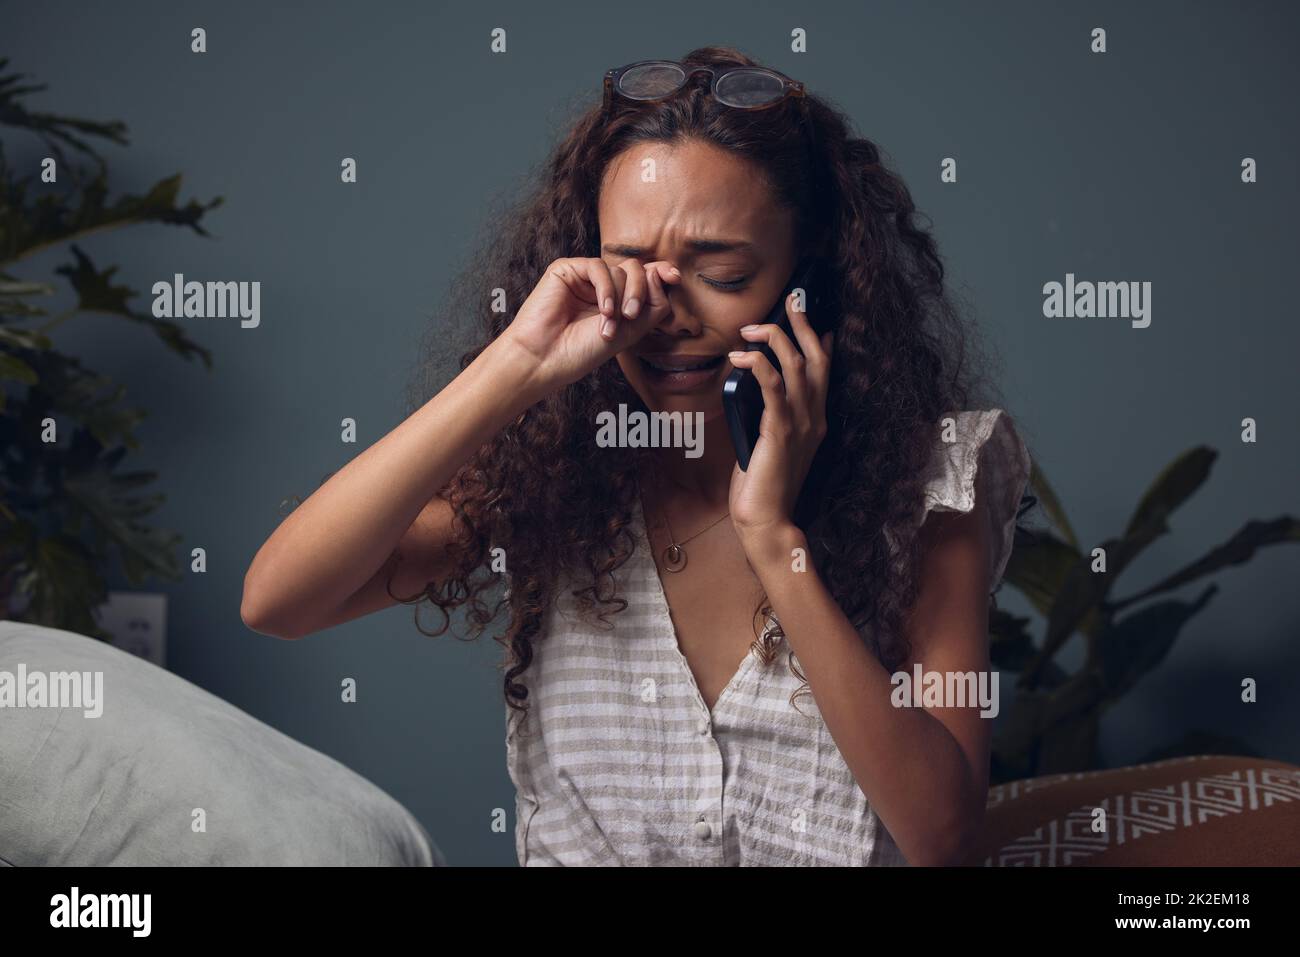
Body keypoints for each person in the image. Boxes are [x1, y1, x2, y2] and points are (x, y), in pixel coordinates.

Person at [241, 46, 1035, 866]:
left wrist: (771, 538)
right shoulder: (557, 468)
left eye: (722, 272)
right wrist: (515, 367)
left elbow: (943, 837)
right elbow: (279, 601)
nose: (667, 315)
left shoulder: (934, 481)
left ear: (814, 284)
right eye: (631, 268)